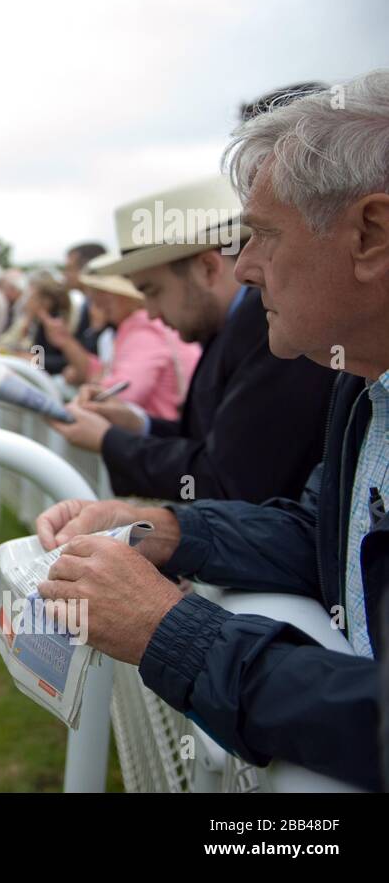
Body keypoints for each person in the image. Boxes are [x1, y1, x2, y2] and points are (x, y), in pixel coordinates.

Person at [34, 68, 389, 790]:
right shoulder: (362, 386)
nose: (246, 265)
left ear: (370, 234)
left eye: (262, 234)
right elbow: (319, 529)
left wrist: (173, 630)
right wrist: (166, 528)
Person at [50, 175, 335, 503]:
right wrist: (137, 424)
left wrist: (109, 440)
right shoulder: (239, 325)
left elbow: (228, 482)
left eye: (152, 291)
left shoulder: (276, 334)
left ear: (208, 269)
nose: (152, 313)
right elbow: (215, 443)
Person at [43, 271, 200, 421]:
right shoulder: (133, 328)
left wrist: (96, 382)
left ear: (129, 297)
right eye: (97, 295)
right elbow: (94, 371)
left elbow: (125, 395)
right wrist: (65, 341)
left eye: (108, 294)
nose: (100, 301)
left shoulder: (144, 330)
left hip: (157, 437)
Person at [62, 242, 108, 353]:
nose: (65, 274)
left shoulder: (106, 308)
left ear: (87, 269)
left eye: (69, 268)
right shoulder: (87, 304)